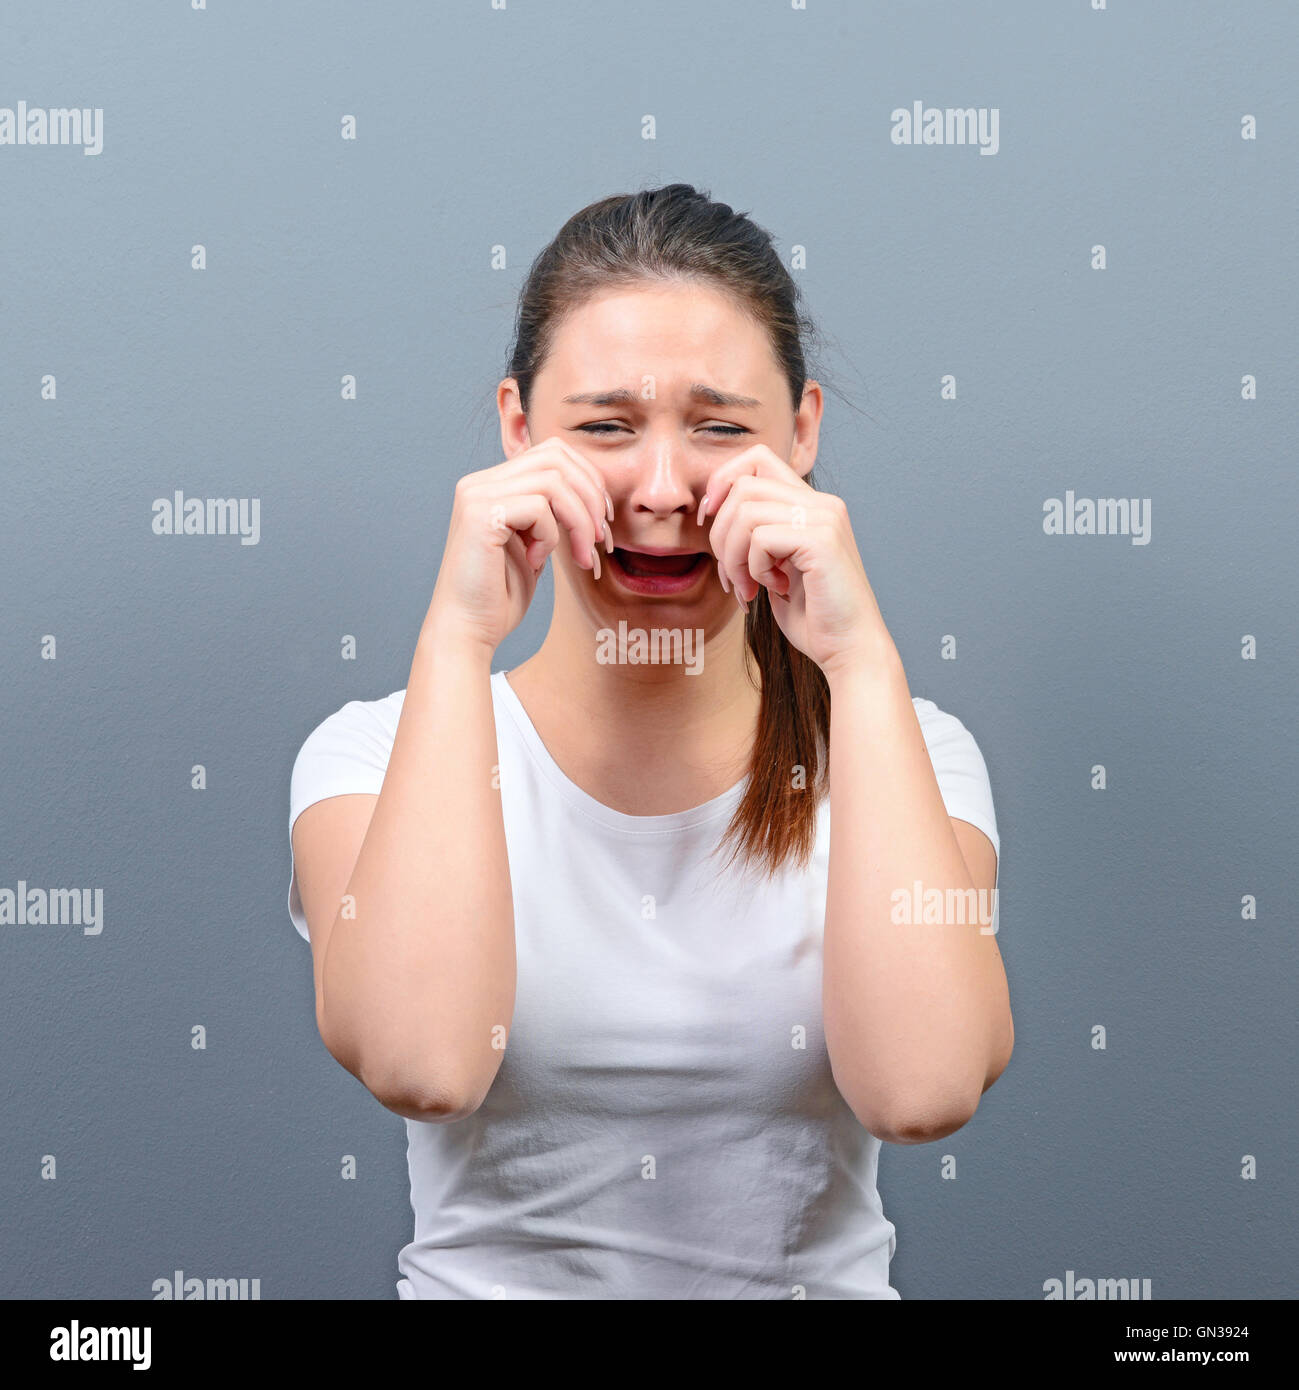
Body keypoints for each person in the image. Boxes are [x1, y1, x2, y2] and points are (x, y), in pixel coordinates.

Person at [286, 183, 1012, 1300]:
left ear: (803, 434)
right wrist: (455, 634)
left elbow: (923, 1090)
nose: (663, 490)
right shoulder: (371, 757)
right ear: (518, 432)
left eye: (722, 428)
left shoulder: (909, 749)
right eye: (605, 427)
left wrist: (862, 663)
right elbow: (424, 1065)